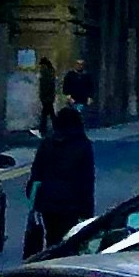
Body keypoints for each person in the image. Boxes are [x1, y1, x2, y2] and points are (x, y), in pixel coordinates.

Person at [30, 93, 96, 254]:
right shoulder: (83, 145)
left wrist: (35, 200)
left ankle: (50, 263)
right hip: (72, 204)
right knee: (69, 240)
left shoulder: (47, 143)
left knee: (52, 237)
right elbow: (87, 180)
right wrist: (87, 211)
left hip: (48, 202)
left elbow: (36, 173)